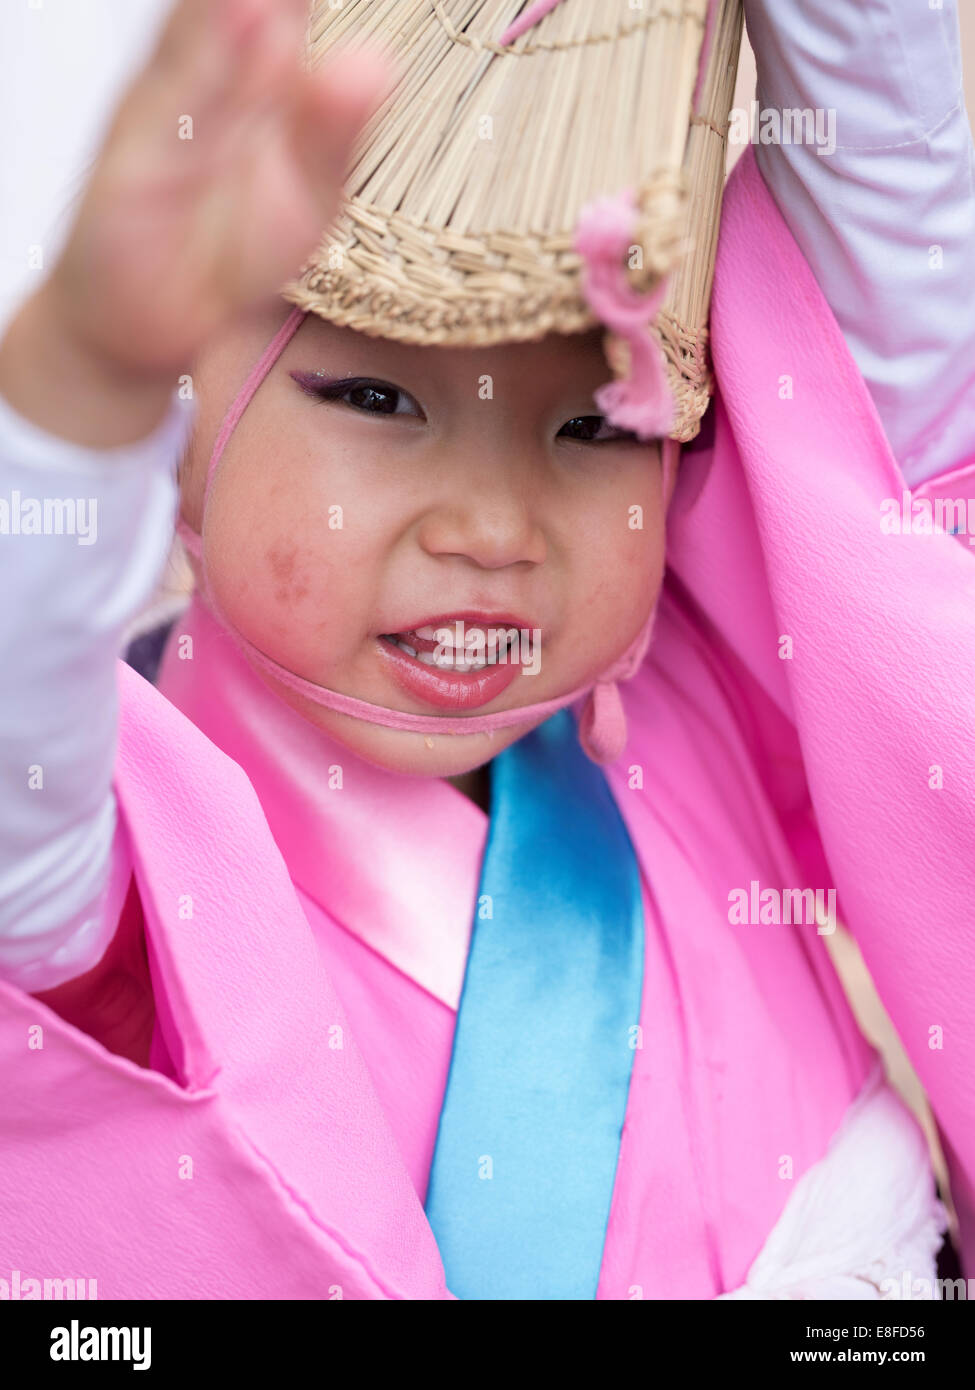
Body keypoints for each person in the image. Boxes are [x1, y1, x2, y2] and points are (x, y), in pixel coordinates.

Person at [0, 0, 973, 1300]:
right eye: (376, 396)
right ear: (177, 431)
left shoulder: (727, 689)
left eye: (597, 427)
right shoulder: (124, 899)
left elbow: (894, 399)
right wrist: (83, 388)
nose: (493, 527)